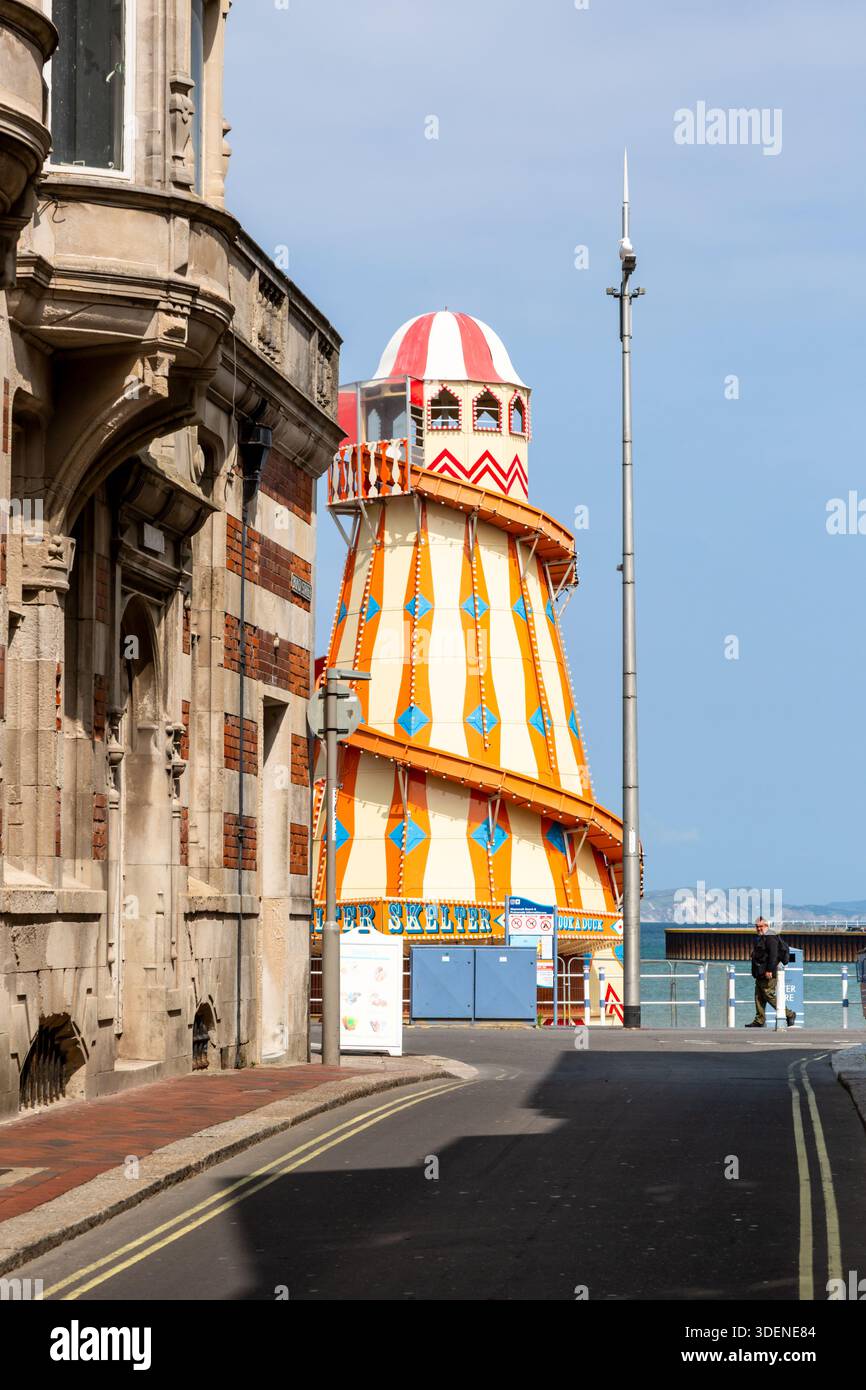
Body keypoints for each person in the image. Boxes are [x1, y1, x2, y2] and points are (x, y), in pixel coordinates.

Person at [745, 917, 795, 1028]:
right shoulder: (761, 937)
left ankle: (789, 1014)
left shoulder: (771, 937)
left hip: (768, 972)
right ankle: (759, 1020)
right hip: (760, 972)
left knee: (768, 994)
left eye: (761, 926)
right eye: (757, 926)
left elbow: (773, 955)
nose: (758, 928)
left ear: (766, 926)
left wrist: (769, 970)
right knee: (759, 996)